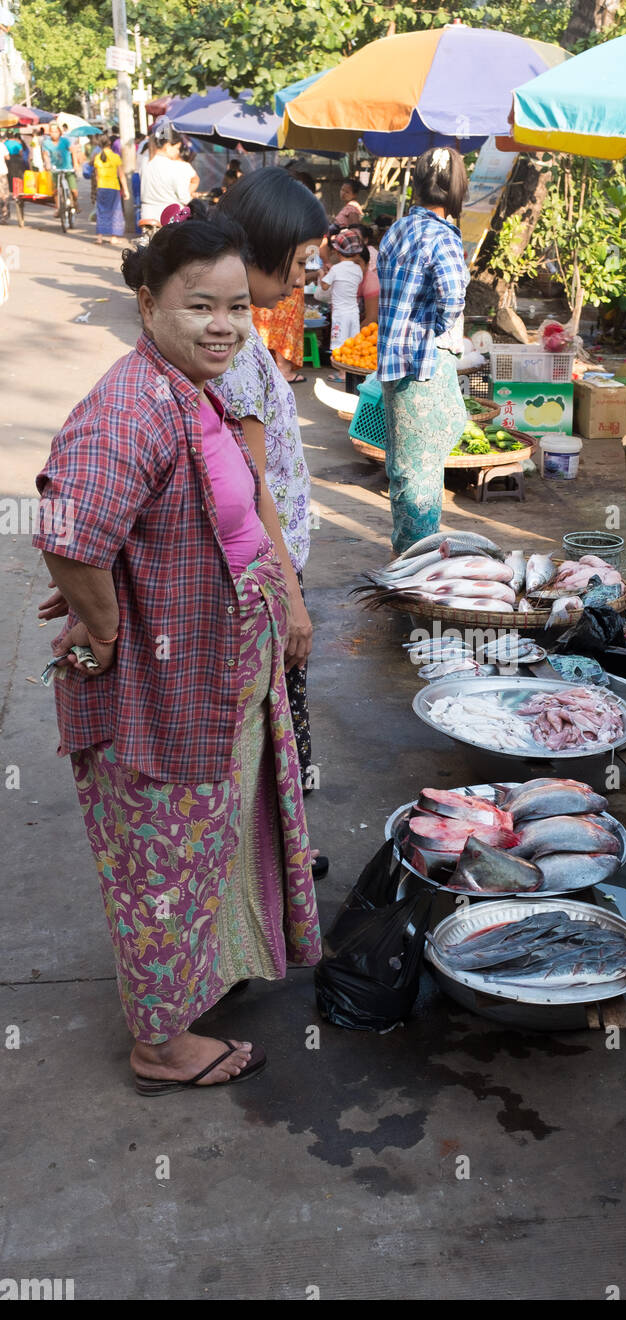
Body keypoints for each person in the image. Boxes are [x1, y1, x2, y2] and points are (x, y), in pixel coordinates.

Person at [32, 209, 320, 1093]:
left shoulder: (184, 387)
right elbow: (72, 532)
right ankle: (160, 1047)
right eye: (201, 306)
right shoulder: (134, 405)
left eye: (237, 306)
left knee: (200, 847)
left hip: (213, 667)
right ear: (150, 302)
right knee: (162, 858)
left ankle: (200, 978)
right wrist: (107, 622)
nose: (224, 324)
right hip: (163, 686)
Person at [211, 168, 329, 806]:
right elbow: (253, 489)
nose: (303, 277)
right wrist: (293, 602)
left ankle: (280, 861)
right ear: (263, 244)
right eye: (301, 261)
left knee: (276, 719)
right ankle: (280, 866)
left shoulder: (246, 336)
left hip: (267, 564)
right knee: (274, 722)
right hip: (264, 570)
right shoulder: (237, 355)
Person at [377, 147, 469, 554]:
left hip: (394, 361)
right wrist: (432, 328)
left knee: (405, 460)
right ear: (456, 191)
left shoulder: (397, 229)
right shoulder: (442, 237)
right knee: (423, 463)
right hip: (423, 362)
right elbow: (453, 297)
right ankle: (420, 557)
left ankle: (405, 547)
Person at [138, 121, 198, 231]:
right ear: (167, 145)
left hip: (147, 213)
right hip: (170, 216)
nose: (177, 152)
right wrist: (192, 196)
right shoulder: (176, 166)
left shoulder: (145, 159)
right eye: (176, 148)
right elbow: (184, 197)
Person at [317, 226, 363, 355]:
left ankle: (341, 372)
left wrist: (322, 274)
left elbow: (325, 286)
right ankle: (349, 372)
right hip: (354, 313)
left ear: (337, 252)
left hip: (339, 314)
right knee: (353, 343)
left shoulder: (336, 269)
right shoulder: (358, 270)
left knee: (338, 345)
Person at [92, 135, 129, 245]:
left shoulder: (97, 157)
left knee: (101, 211)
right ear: (110, 144)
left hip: (101, 187)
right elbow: (121, 175)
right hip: (113, 187)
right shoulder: (115, 157)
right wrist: (126, 190)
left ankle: (99, 237)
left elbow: (96, 176)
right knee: (115, 211)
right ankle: (113, 237)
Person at [43, 122, 79, 215]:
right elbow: (46, 155)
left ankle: (75, 203)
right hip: (55, 169)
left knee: (73, 191)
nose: (54, 133)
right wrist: (47, 165)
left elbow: (73, 152)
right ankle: (58, 208)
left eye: (56, 131)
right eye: (52, 131)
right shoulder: (46, 143)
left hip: (68, 168)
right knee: (55, 190)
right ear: (49, 133)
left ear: (60, 132)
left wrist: (75, 164)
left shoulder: (65, 141)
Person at [359, 223, 380, 328]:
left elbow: (371, 318)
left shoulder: (371, 281)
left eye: (357, 264)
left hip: (362, 335)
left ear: (367, 265)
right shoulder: (342, 274)